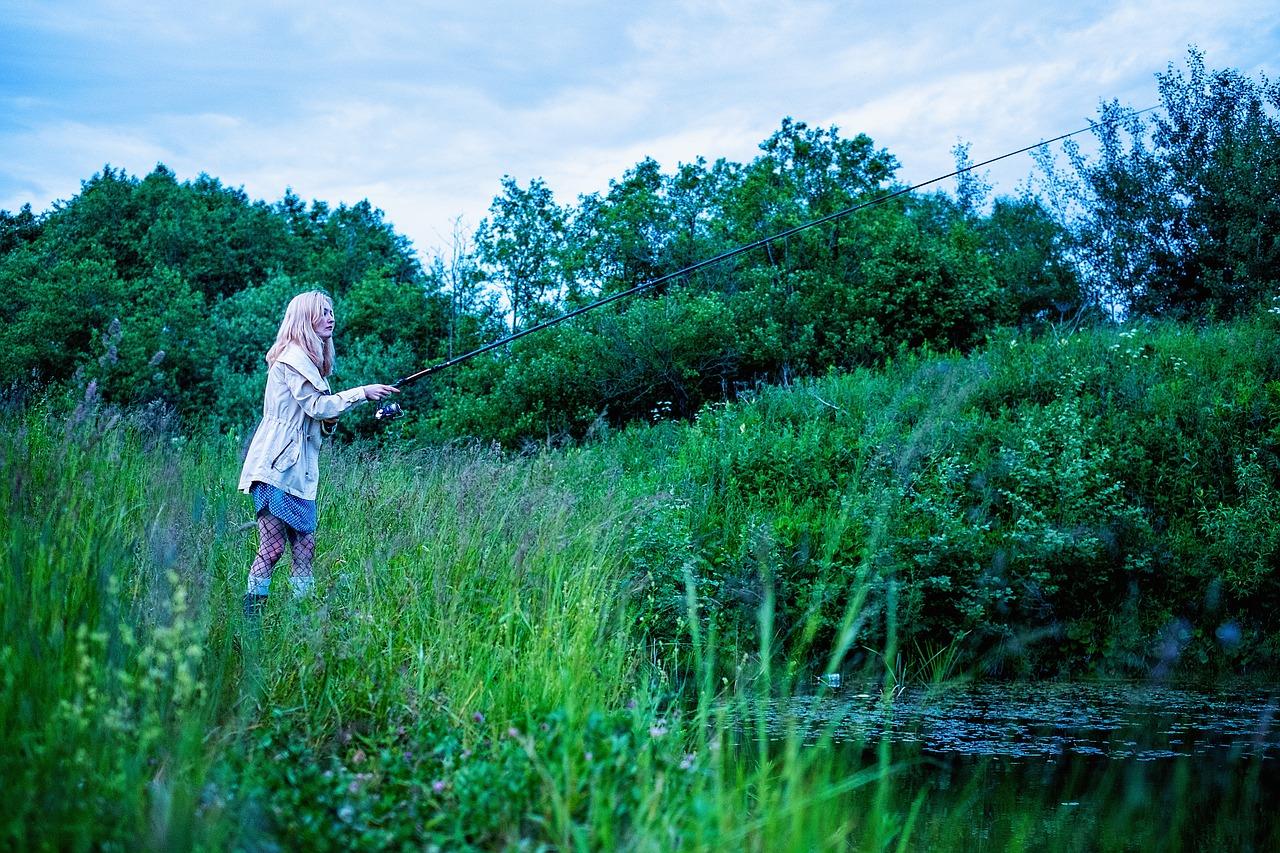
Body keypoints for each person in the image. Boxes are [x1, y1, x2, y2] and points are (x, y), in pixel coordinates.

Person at [237, 291, 398, 617]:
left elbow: (319, 420)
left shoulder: (309, 364)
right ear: (304, 319)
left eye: (331, 311)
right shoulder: (293, 359)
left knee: (304, 551)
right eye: (322, 312)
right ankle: (250, 619)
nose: (330, 317)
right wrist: (362, 394)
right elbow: (317, 406)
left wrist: (332, 418)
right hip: (276, 469)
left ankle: (301, 620)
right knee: (271, 549)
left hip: (298, 471)